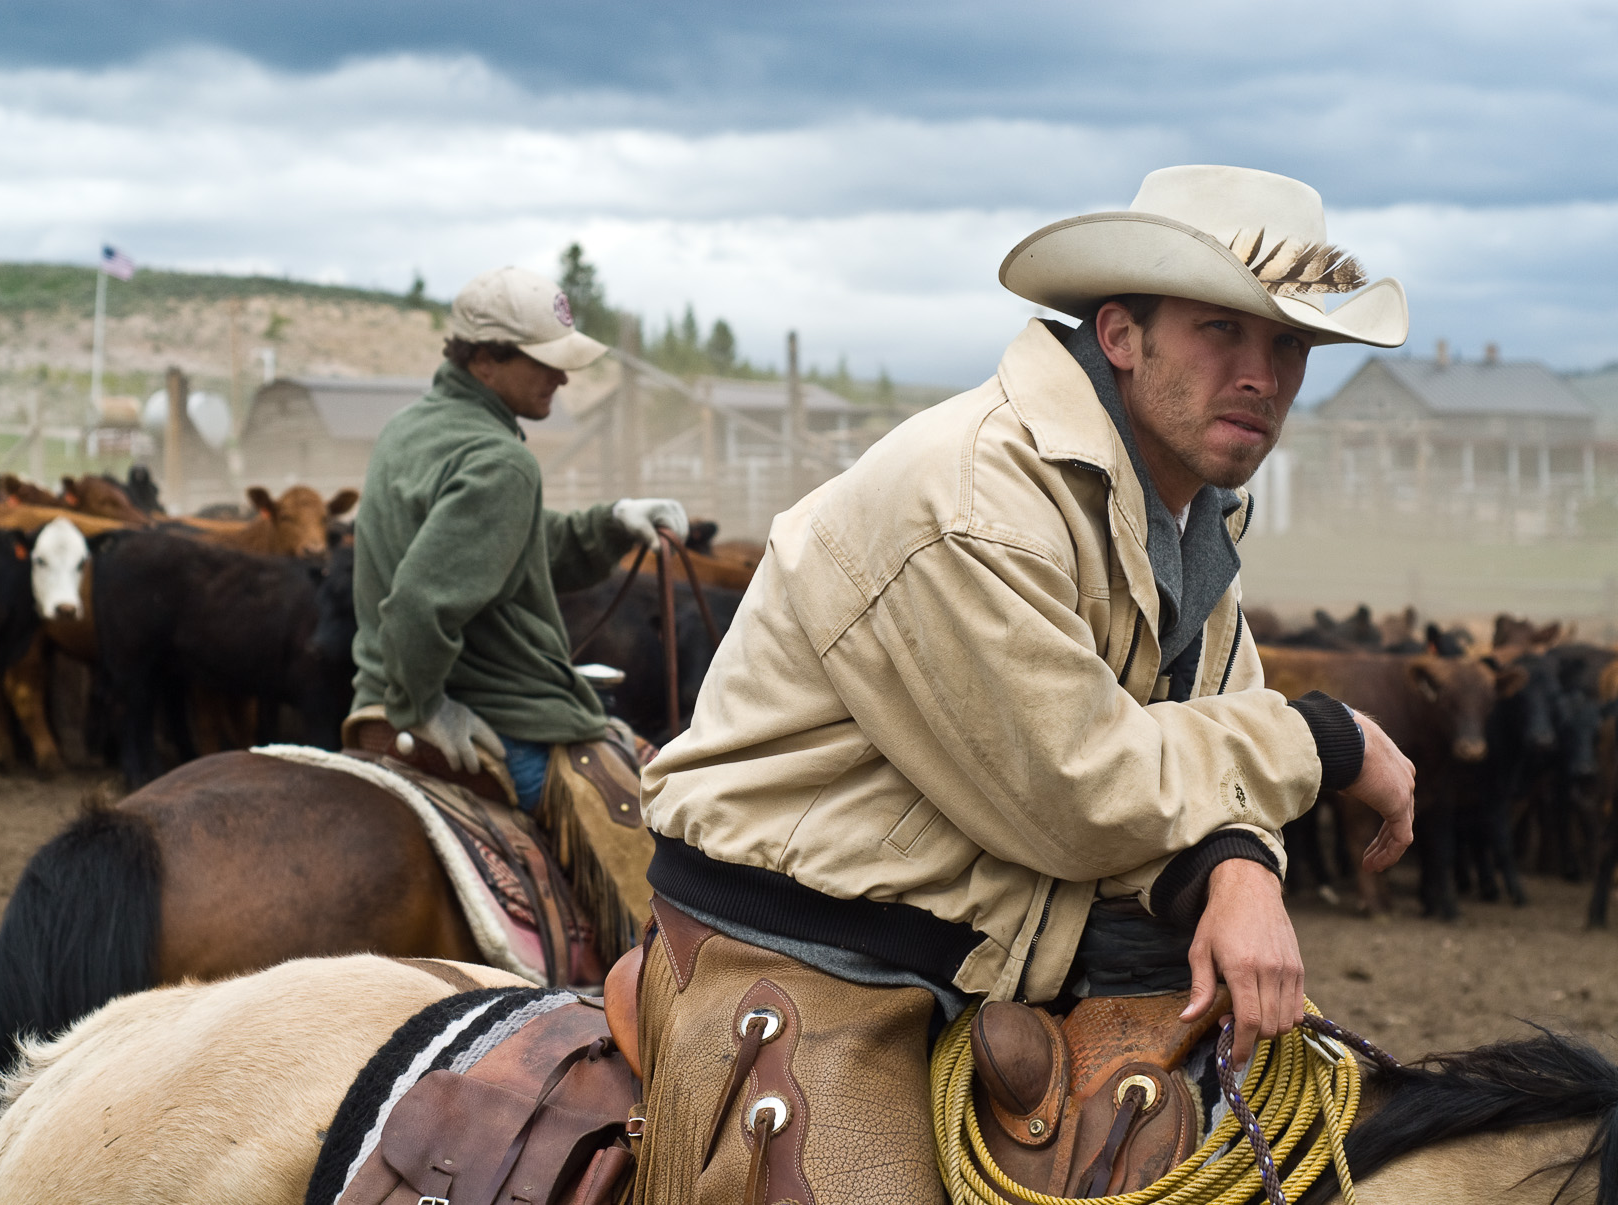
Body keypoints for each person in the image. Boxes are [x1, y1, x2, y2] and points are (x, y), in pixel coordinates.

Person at [631, 166, 1419, 1203]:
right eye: (1220, 333)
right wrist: (1326, 742)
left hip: (1011, 929)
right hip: (816, 940)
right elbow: (1085, 788)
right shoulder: (972, 498)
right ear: (1121, 335)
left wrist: (1237, 866)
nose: (1262, 376)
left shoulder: (1191, 518)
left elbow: (1210, 744)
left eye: (1288, 345)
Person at [350, 264, 688, 812]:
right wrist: (425, 707)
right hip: (494, 715)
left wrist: (613, 522)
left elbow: (506, 547)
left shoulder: (410, 428)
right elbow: (417, 604)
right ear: (485, 360)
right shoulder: (500, 461)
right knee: (650, 841)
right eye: (546, 362)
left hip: (374, 702)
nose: (562, 378)